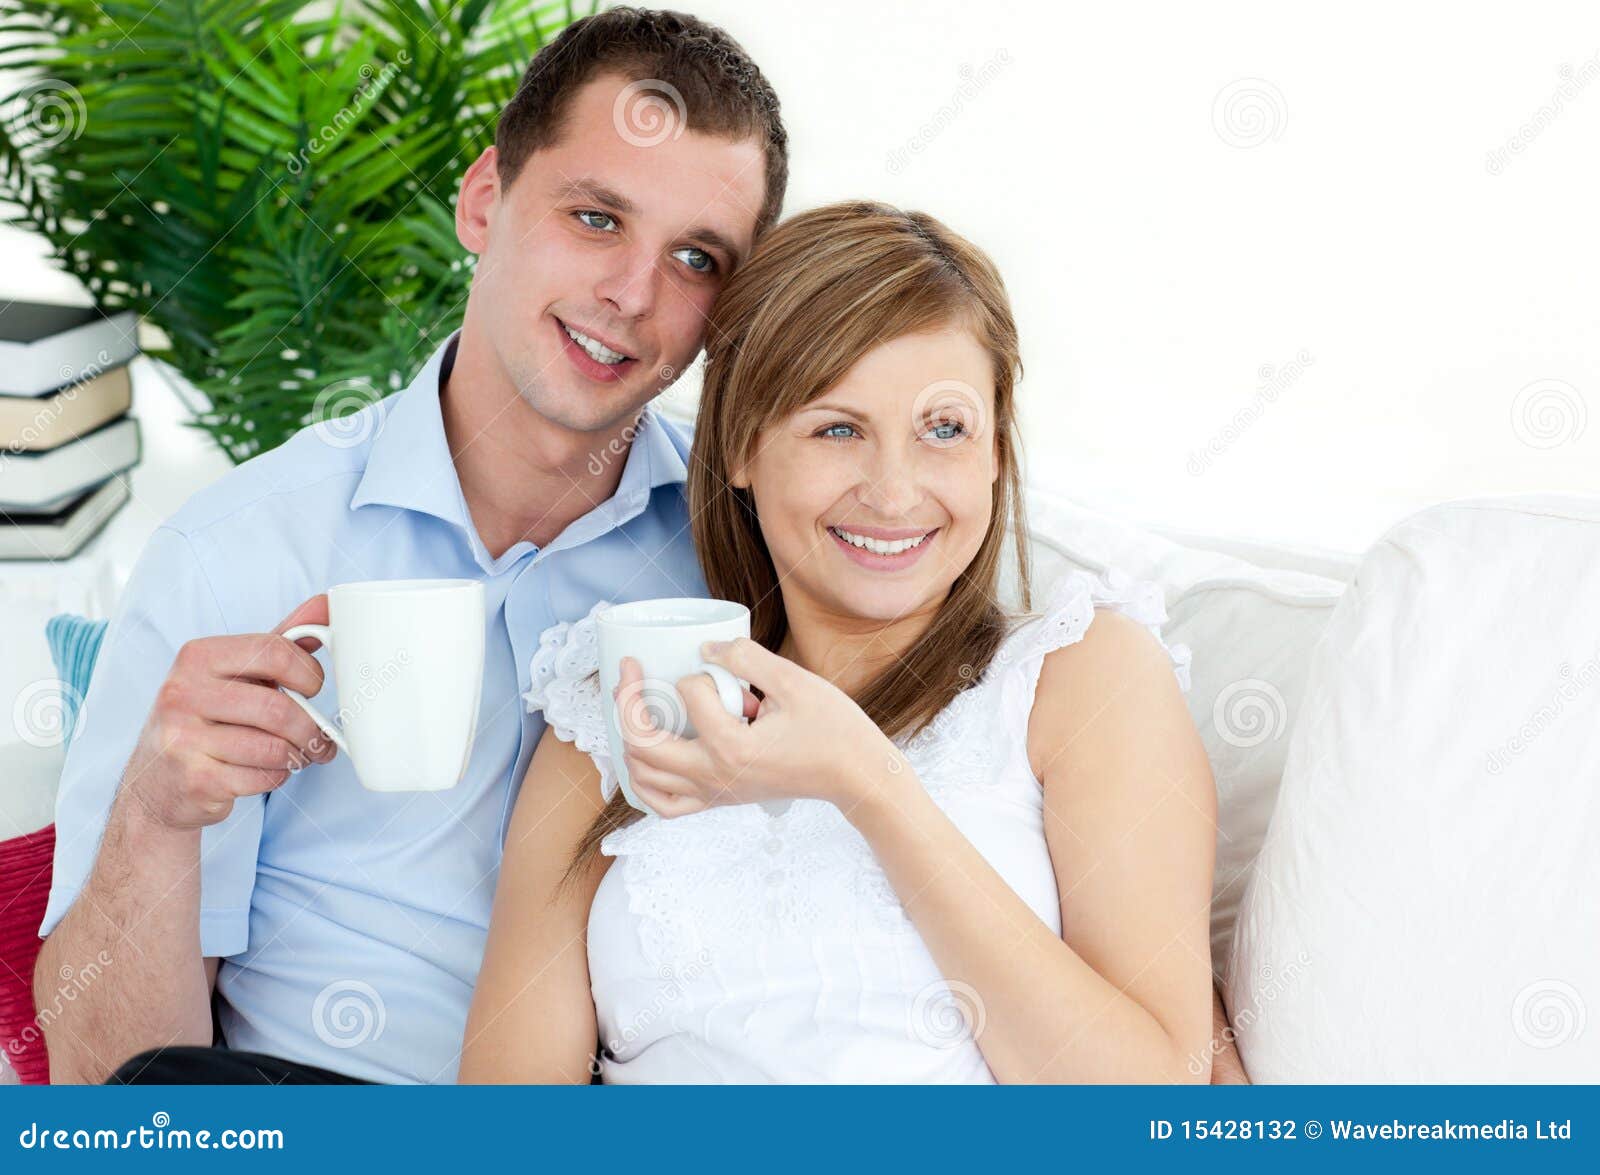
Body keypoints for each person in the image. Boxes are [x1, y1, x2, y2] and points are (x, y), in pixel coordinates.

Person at [33, 7, 788, 1085]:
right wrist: (157, 812)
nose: (633, 294)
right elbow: (111, 1085)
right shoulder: (235, 552)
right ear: (483, 201)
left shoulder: (750, 555)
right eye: (595, 218)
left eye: (695, 257)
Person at [460, 202, 1222, 1083]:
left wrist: (867, 781)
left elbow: (1150, 1111)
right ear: (740, 447)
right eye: (837, 428)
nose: (893, 493)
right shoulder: (614, 712)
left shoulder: (1082, 677)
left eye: (945, 429)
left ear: (995, 454)